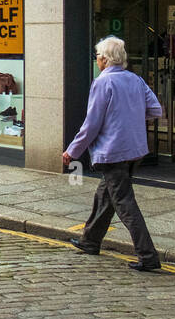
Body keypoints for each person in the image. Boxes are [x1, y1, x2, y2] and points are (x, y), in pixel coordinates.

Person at [64, 35, 164, 273]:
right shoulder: (135, 79)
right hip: (135, 150)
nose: (97, 60)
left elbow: (92, 124)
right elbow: (156, 109)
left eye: (98, 56)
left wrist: (72, 151)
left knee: (124, 203)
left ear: (106, 59)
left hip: (113, 151)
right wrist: (130, 118)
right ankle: (90, 241)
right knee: (105, 196)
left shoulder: (102, 82)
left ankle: (148, 255)